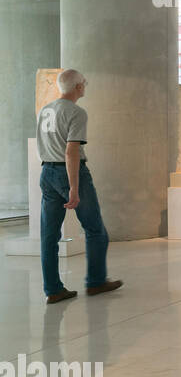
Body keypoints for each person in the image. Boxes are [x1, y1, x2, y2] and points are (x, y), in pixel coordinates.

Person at [37, 68, 120, 304]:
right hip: (70, 173)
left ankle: (53, 290)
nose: (85, 85)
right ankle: (96, 282)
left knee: (49, 236)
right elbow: (71, 150)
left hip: (46, 172)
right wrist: (73, 188)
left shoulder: (45, 110)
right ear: (77, 87)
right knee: (95, 230)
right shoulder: (76, 112)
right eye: (84, 82)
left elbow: (46, 145)